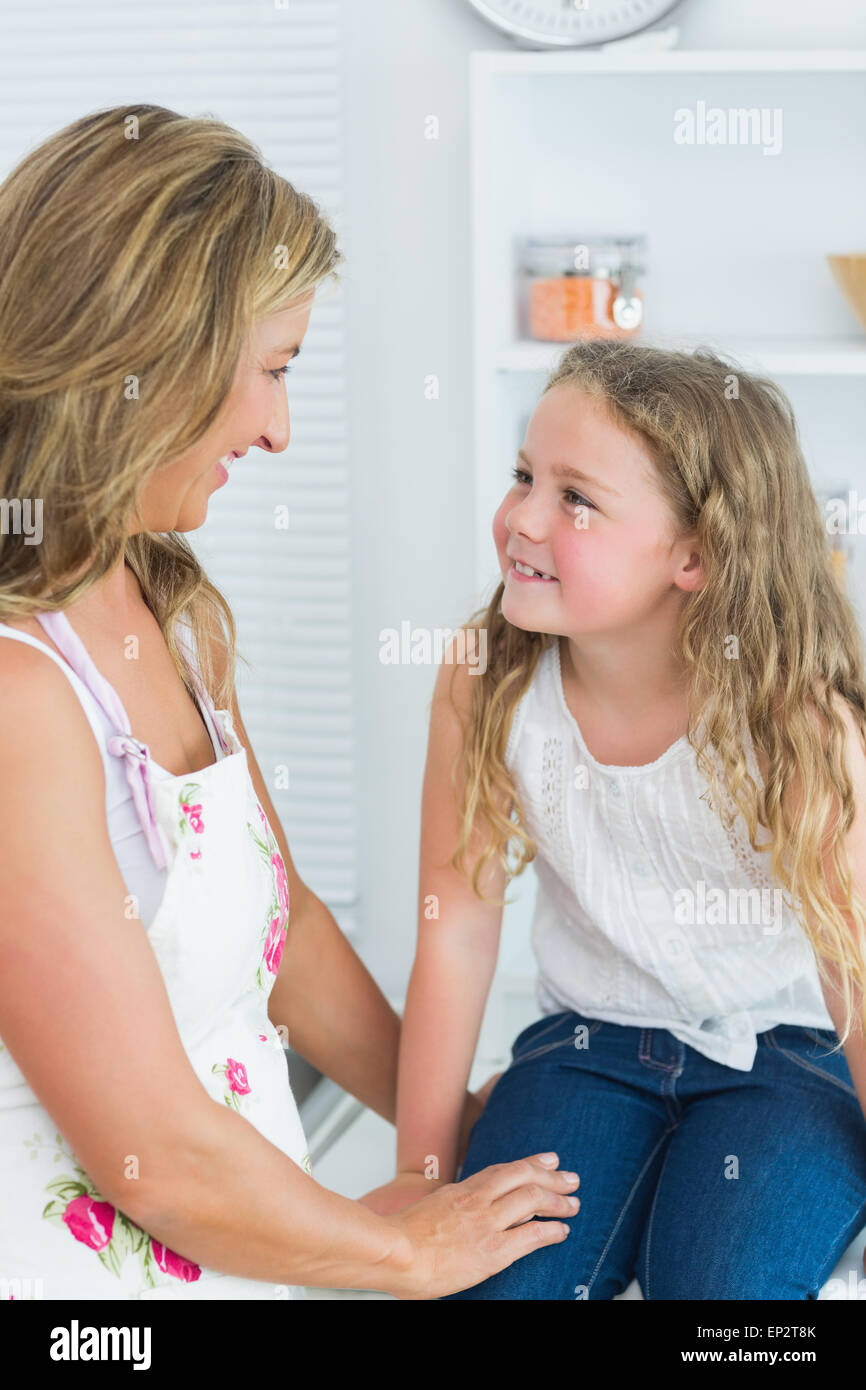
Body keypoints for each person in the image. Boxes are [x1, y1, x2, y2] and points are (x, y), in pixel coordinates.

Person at [0, 104, 581, 1301]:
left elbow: (288, 931)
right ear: (138, 352)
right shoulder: (18, 696)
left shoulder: (167, 610)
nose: (276, 428)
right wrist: (406, 1250)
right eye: (270, 370)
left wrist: (455, 1134)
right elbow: (147, 1152)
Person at [369, 338, 866, 1299]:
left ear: (695, 556)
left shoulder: (796, 725)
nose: (520, 517)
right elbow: (458, 934)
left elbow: (856, 973)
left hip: (784, 1058)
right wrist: (420, 1176)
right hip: (587, 1049)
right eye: (523, 476)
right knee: (493, 1284)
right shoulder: (487, 683)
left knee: (726, 1300)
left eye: (576, 499)